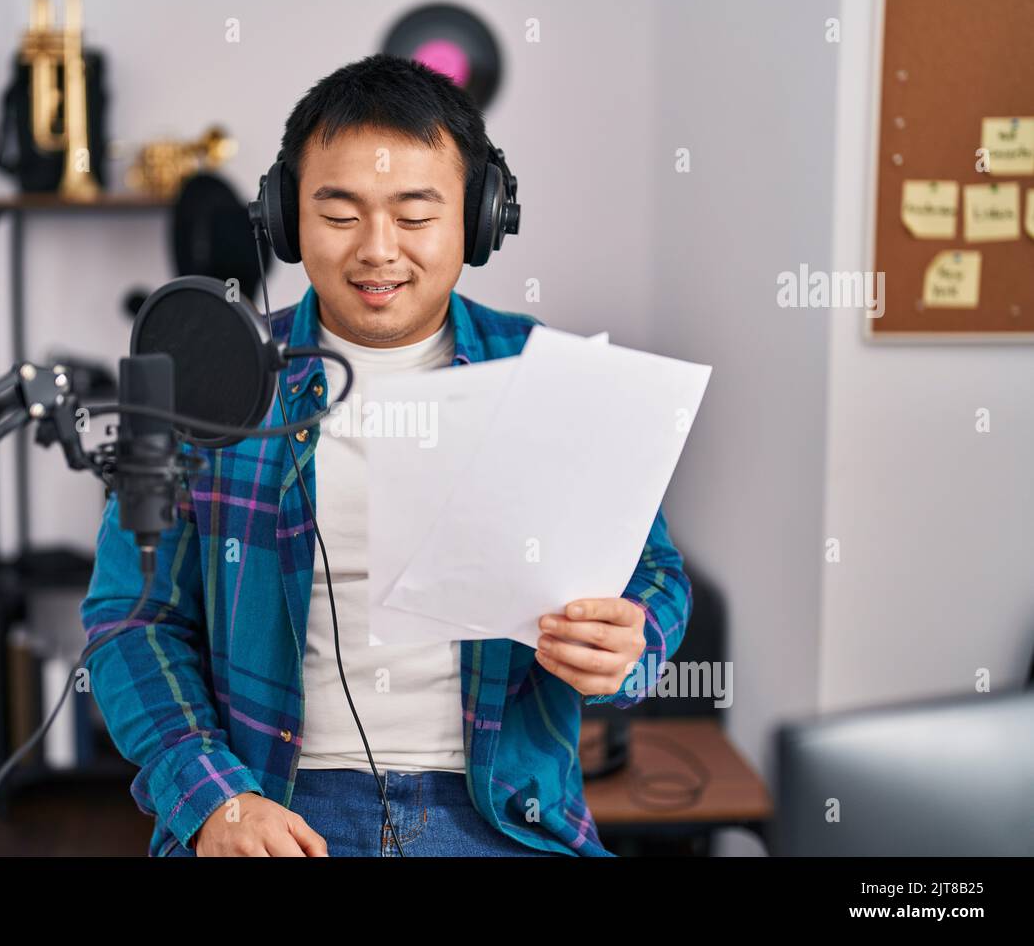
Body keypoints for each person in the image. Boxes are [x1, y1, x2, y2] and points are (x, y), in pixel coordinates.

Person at [80, 53, 691, 857]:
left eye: (413, 214)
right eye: (340, 215)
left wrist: (632, 643)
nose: (377, 250)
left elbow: (655, 575)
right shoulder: (206, 383)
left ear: (479, 219)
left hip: (502, 816)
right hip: (276, 804)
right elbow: (131, 619)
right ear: (285, 218)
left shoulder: (549, 375)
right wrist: (212, 798)